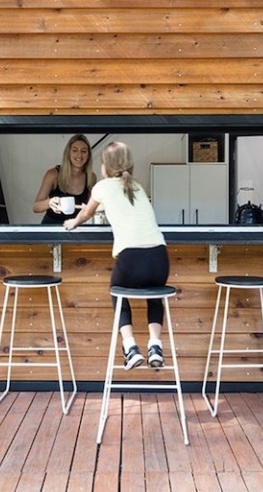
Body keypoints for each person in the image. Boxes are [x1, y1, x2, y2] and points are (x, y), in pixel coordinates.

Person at [63, 141, 169, 370]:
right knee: (154, 296)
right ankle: (155, 345)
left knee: (117, 291)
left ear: (104, 167)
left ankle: (130, 347)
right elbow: (117, 205)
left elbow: (86, 213)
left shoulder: (101, 187)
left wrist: (73, 222)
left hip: (131, 259)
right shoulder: (136, 186)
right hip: (160, 259)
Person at [32, 133, 97, 224]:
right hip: (52, 227)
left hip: (76, 226)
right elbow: (35, 207)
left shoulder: (91, 177)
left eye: (84, 151)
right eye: (75, 150)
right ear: (68, 153)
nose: (79, 155)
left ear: (88, 155)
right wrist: (49, 203)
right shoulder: (53, 174)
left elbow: (91, 208)